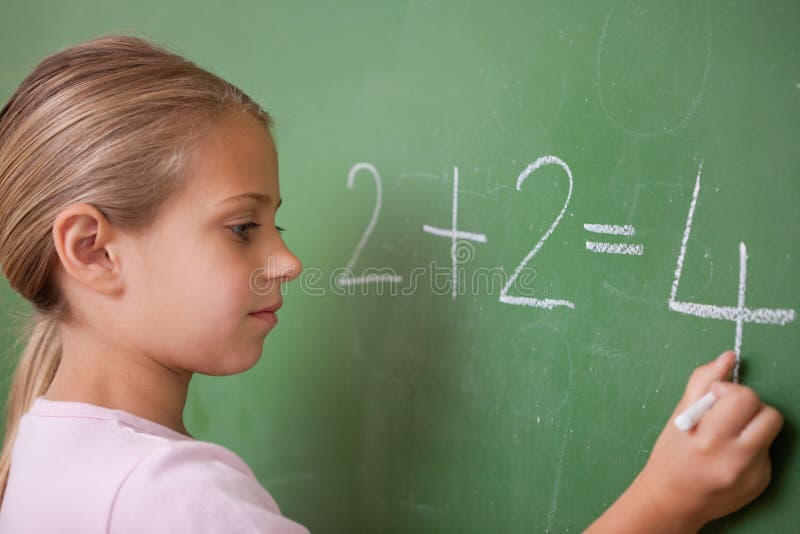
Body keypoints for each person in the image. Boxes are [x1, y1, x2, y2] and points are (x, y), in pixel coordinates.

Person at [0, 35, 782, 533]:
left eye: (279, 224)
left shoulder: (47, 455)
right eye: (243, 227)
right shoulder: (167, 500)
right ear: (94, 251)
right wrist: (668, 502)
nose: (288, 260)